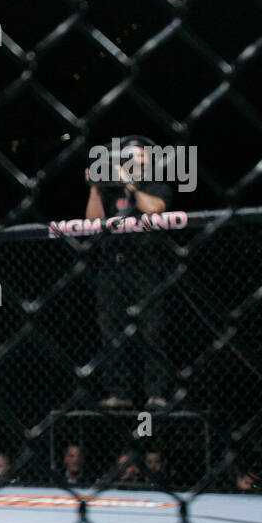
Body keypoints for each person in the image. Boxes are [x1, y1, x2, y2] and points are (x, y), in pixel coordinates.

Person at [85, 136, 174, 409]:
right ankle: (118, 392)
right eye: (132, 156)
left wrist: (128, 184)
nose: (138, 160)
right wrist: (95, 189)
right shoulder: (110, 190)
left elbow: (154, 209)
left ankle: (156, 392)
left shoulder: (155, 185)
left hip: (144, 264)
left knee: (152, 330)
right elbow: (92, 222)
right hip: (112, 264)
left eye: (143, 156)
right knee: (110, 330)